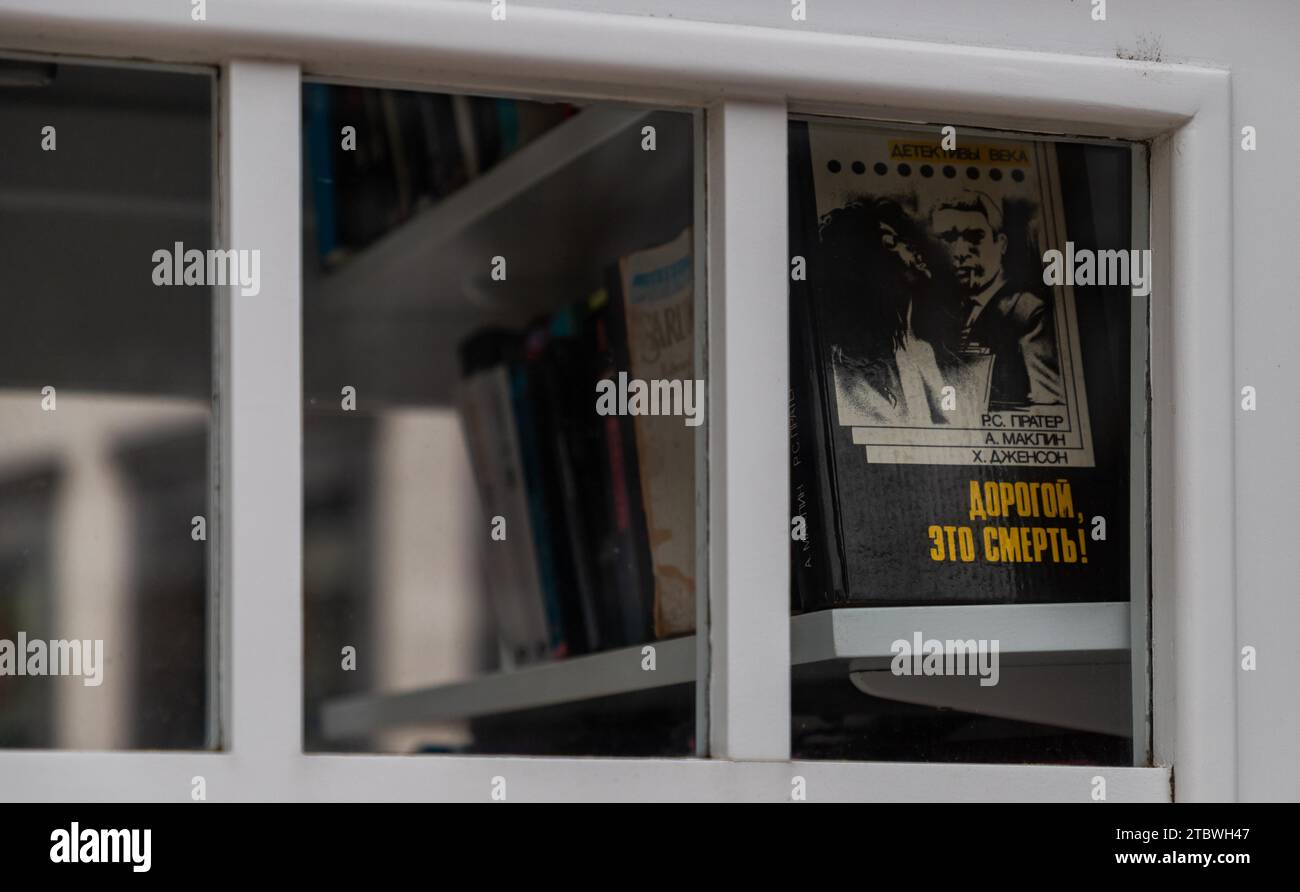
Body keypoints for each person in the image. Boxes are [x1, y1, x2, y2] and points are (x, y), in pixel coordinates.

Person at [816, 199, 963, 427]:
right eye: (891, 242)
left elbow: (951, 426)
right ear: (870, 267)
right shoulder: (849, 364)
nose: (910, 246)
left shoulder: (922, 350)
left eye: (903, 238)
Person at [930, 190, 1063, 410]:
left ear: (1001, 244)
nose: (960, 251)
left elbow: (1049, 405)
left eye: (974, 237)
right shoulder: (943, 312)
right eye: (949, 238)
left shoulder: (1028, 312)